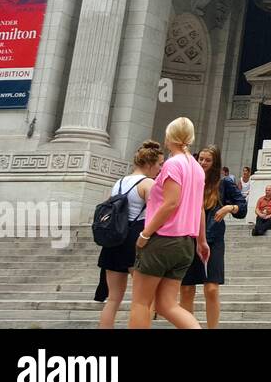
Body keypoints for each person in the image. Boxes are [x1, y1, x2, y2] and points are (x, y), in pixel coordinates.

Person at [129, 117, 208, 329]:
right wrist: (202, 241)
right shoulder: (197, 168)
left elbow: (170, 203)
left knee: (140, 302)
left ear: (169, 136)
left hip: (163, 239)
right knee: (167, 305)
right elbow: (199, 207)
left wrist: (145, 234)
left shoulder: (174, 164)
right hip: (185, 244)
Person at [96, 141, 164, 329]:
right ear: (149, 163)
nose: (160, 169)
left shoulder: (119, 182)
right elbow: (157, 214)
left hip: (114, 238)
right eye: (159, 164)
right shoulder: (148, 183)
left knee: (113, 299)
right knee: (143, 299)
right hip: (136, 238)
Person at [180, 145, 247, 329]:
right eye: (200, 159)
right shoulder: (190, 180)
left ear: (215, 163)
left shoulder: (224, 183)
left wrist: (228, 207)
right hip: (188, 239)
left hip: (214, 240)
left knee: (211, 288)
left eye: (207, 160)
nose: (203, 163)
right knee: (186, 289)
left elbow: (242, 207)